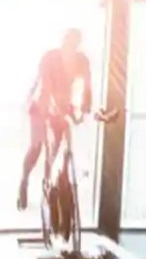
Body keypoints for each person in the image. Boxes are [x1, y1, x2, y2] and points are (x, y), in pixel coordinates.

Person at [17, 28, 93, 211]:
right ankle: (24, 180)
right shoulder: (50, 58)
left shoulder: (81, 61)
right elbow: (46, 85)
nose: (70, 48)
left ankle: (49, 183)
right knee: (37, 146)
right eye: (68, 43)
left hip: (62, 106)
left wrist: (85, 107)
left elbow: (88, 87)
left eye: (74, 44)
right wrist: (56, 106)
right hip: (41, 105)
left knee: (56, 150)